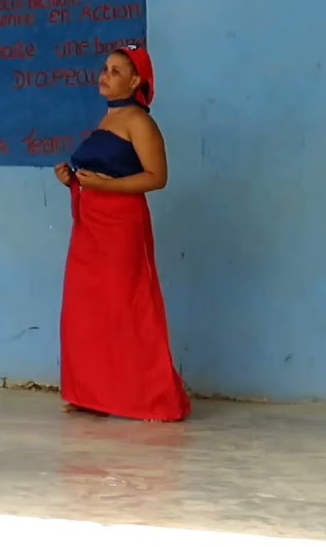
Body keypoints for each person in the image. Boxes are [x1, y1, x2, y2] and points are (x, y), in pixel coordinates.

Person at [54, 45, 191, 422]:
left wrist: (103, 186)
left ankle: (149, 399)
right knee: (88, 311)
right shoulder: (108, 119)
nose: (105, 75)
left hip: (119, 227)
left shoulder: (140, 123)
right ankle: (93, 394)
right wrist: (73, 181)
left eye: (116, 71)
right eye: (105, 68)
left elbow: (156, 178)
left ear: (135, 82)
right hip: (89, 227)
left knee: (124, 308)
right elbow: (102, 175)